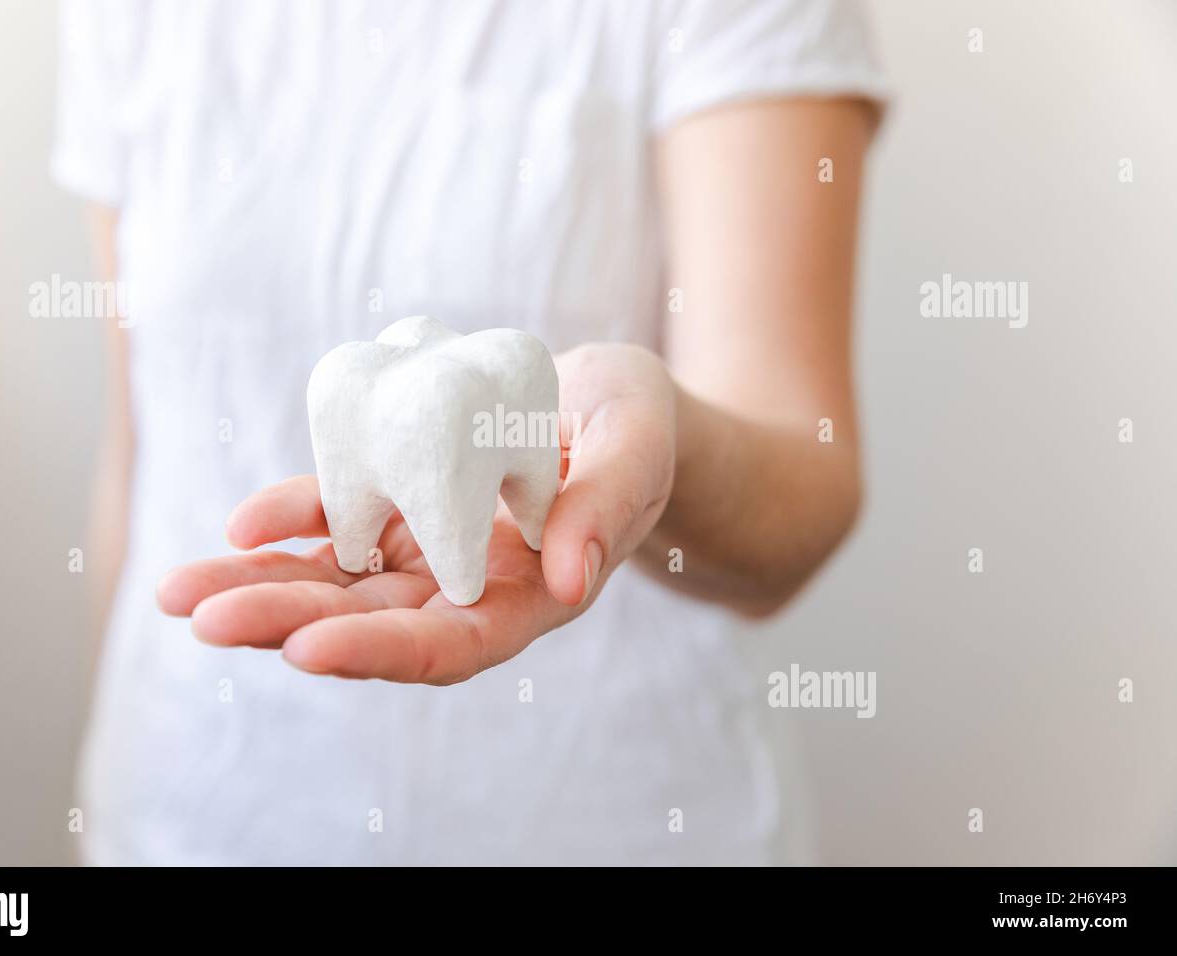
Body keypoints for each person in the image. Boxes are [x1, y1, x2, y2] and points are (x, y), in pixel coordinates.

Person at [54, 0, 887, 865]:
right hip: (187, 816)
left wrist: (661, 439)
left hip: (611, 822)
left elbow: (802, 479)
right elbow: (136, 458)